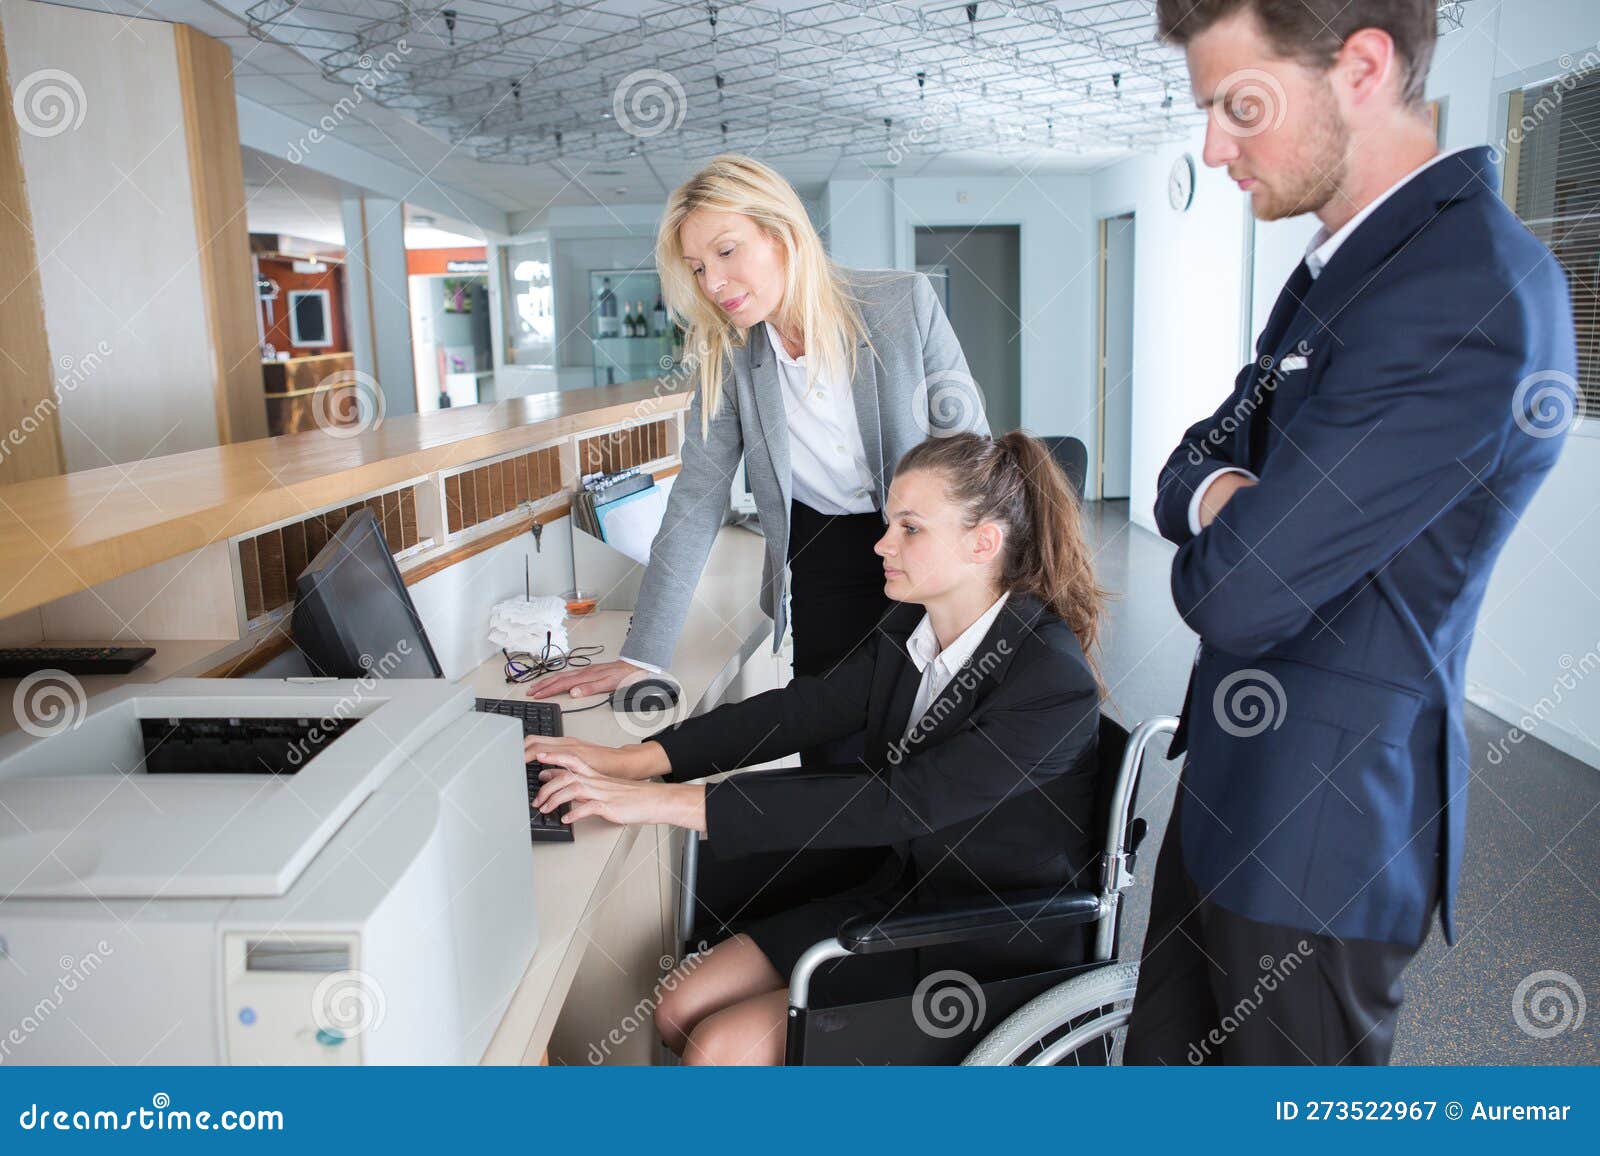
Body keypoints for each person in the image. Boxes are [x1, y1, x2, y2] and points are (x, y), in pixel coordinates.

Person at [1125, 0, 1577, 1065]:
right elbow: (1183, 466)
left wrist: (1244, 511)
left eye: (1239, 106)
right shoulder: (1348, 264)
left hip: (1318, 846)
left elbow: (1233, 590)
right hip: (1236, 795)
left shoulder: (1465, 286)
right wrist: (1245, 501)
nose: (1211, 146)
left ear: (1362, 67)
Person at [525, 431, 1106, 1065]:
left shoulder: (1048, 676)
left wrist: (667, 804)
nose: (881, 545)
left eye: (910, 529)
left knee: (718, 1049)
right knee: (676, 1005)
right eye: (889, 523)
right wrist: (631, 762)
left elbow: (894, 803)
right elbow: (802, 711)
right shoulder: (913, 624)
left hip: (984, 940)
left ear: (983, 543)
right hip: (906, 888)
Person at [526, 155, 987, 725]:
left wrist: (990, 591)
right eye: (696, 267)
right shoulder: (729, 352)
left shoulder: (901, 305)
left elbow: (972, 461)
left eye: (726, 251)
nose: (713, 283)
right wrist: (642, 652)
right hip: (821, 555)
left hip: (926, 546)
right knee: (828, 743)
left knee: (931, 734)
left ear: (782, 235)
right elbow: (698, 496)